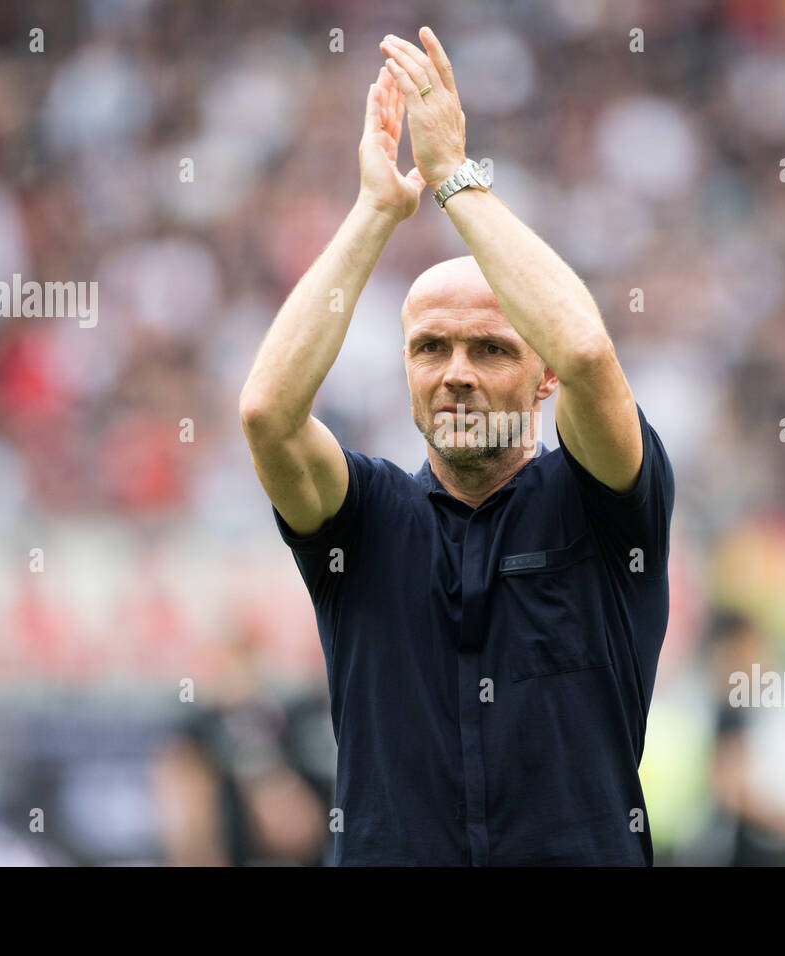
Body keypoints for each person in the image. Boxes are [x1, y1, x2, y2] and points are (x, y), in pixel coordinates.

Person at [239, 27, 674, 865]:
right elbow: (267, 413)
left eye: (493, 349)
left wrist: (453, 180)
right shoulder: (361, 519)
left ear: (541, 380)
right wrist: (374, 213)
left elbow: (586, 351)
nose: (457, 374)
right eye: (430, 348)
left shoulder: (601, 502)